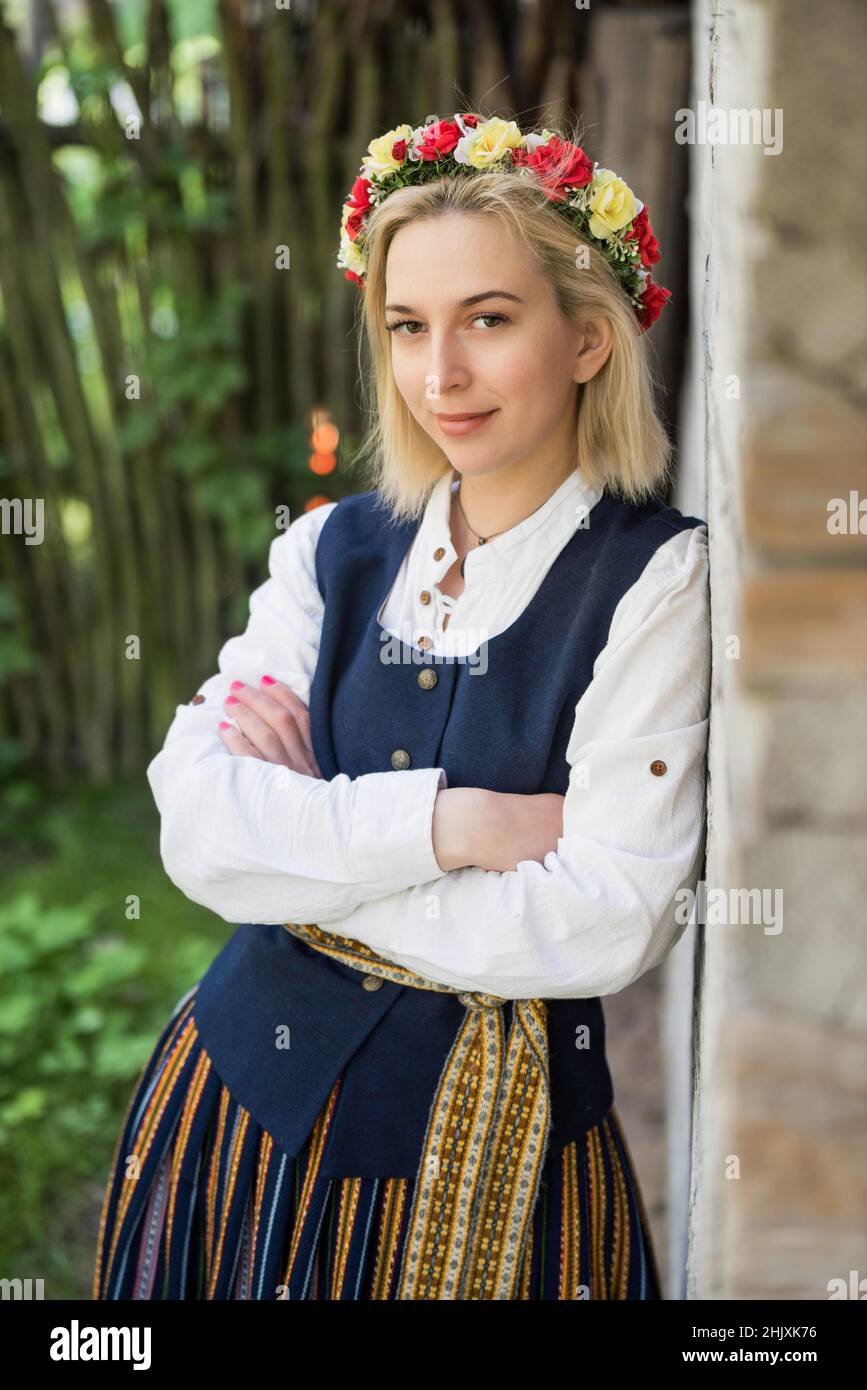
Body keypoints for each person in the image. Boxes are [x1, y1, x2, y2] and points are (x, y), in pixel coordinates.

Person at [92, 112, 710, 1301]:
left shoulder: (654, 579)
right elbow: (199, 830)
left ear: (588, 338)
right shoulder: (333, 549)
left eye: (488, 319)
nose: (441, 377)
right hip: (234, 1105)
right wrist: (452, 827)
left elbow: (610, 918)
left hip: (498, 1159)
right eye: (408, 328)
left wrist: (312, 853)